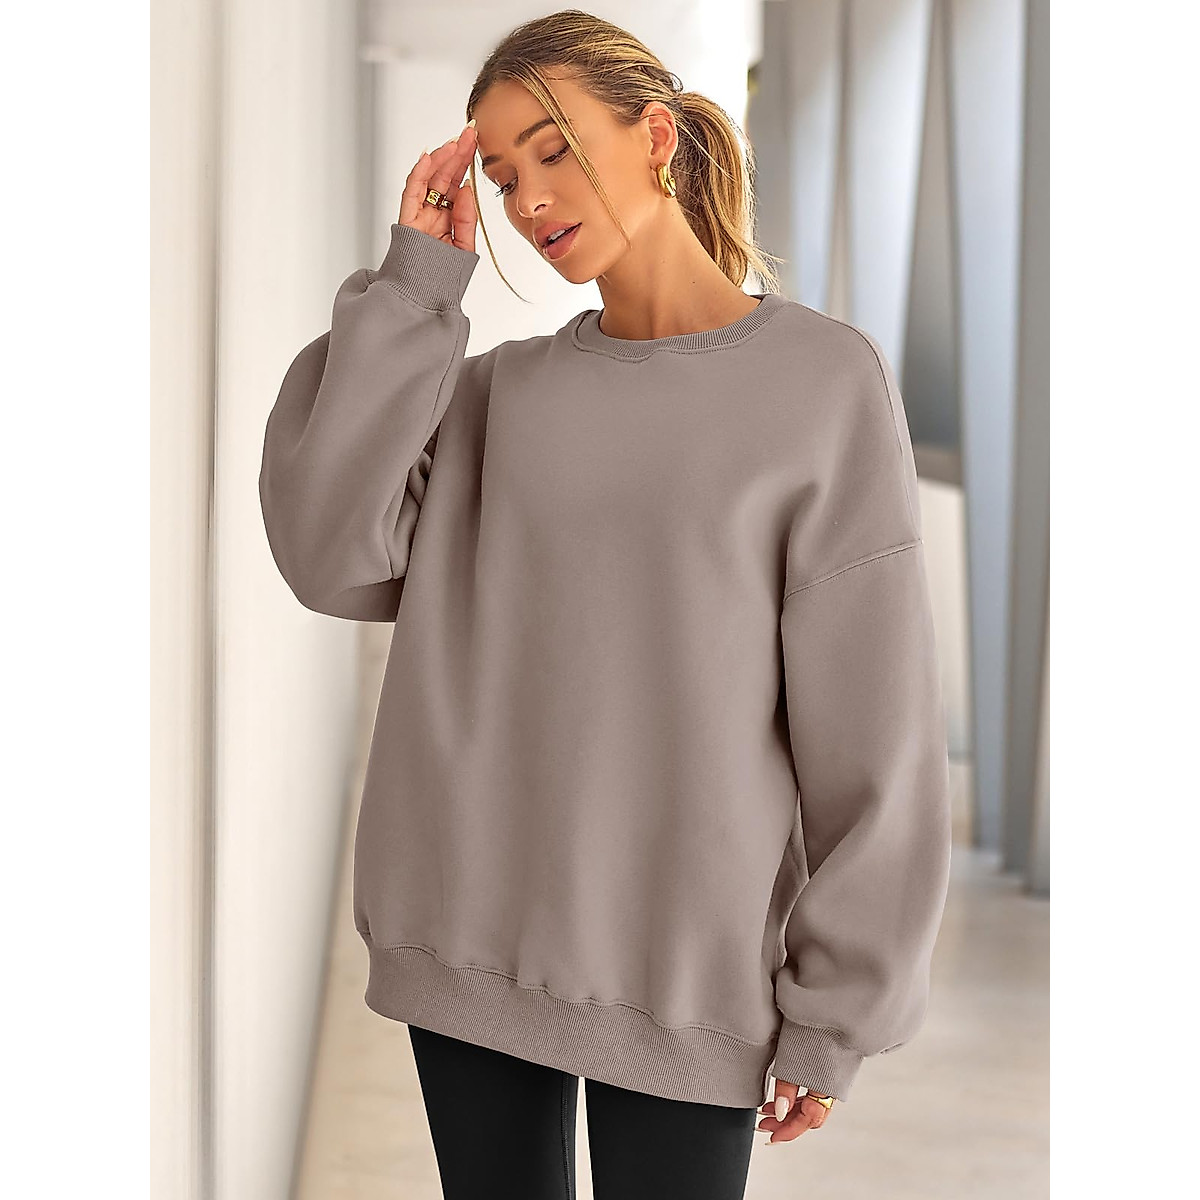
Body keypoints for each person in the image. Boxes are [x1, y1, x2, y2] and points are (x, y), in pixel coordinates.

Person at [258, 10, 952, 1199]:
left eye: (553, 148)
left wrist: (837, 1007)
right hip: (469, 934)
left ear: (656, 137)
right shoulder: (492, 400)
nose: (529, 198)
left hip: (688, 968)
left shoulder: (822, 383)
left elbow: (874, 723)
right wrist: (416, 283)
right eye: (500, 174)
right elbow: (328, 551)